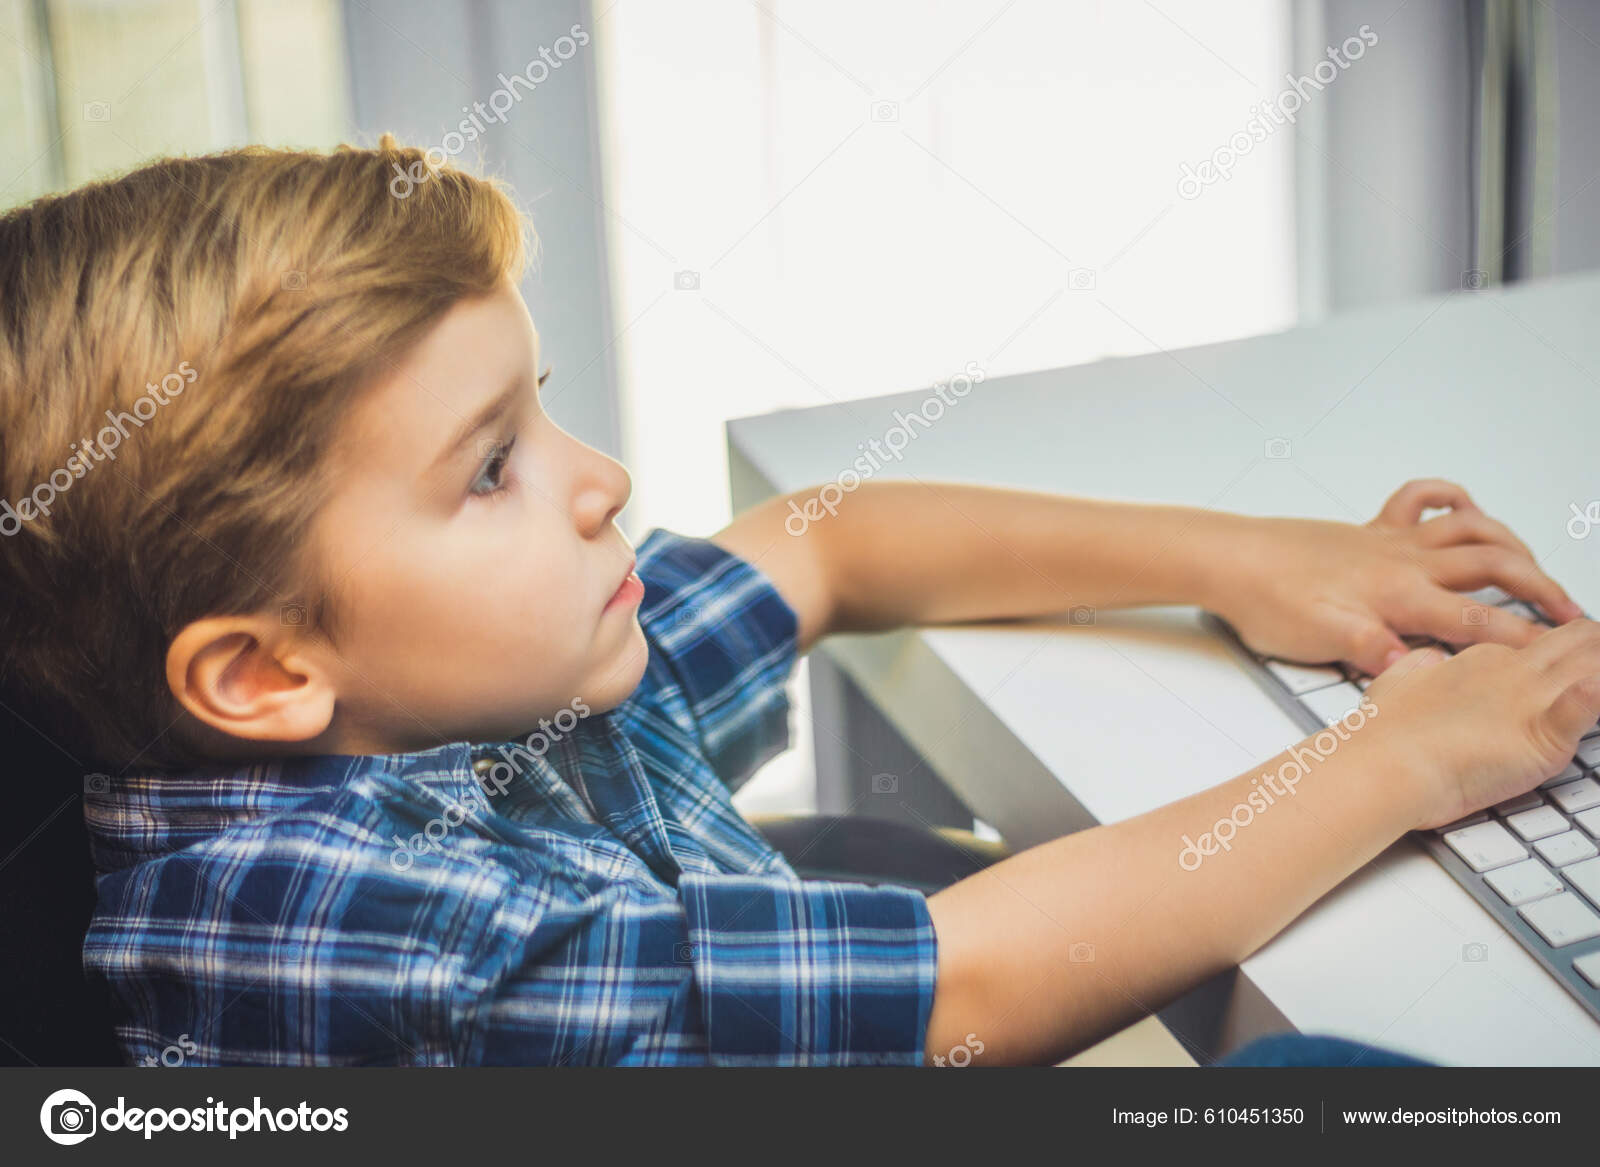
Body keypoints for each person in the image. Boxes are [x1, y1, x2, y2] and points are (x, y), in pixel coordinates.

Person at [3, 138, 1594, 1066]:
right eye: (490, 467)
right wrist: (1404, 758)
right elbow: (958, 989)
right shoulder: (355, 932)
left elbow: (823, 538)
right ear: (262, 672)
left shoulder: (452, 693)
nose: (601, 476)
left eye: (541, 407)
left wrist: (1252, 560)